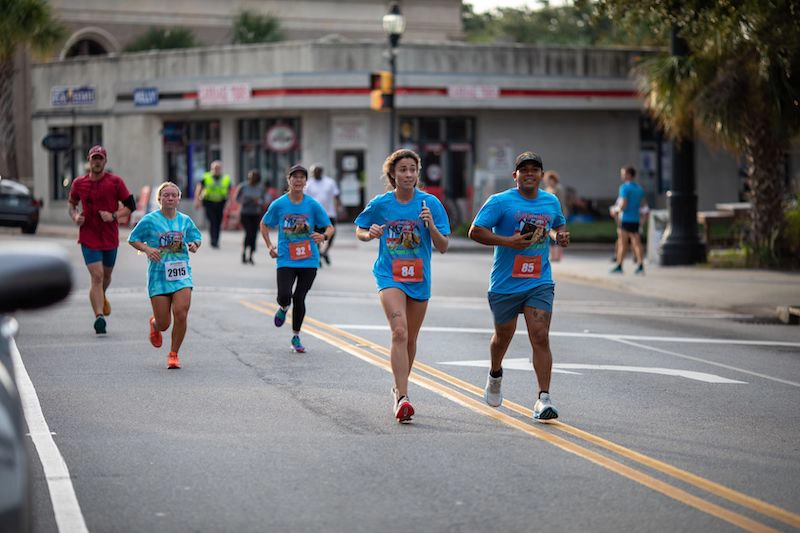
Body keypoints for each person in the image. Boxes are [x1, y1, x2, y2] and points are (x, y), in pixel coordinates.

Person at [468, 151, 569, 421]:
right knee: (503, 336)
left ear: (541, 175)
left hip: (539, 281)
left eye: (535, 169)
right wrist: (508, 241)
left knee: (540, 335)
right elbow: (475, 231)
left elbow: (558, 225)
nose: (529, 174)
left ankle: (543, 399)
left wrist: (560, 236)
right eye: (524, 170)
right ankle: (495, 374)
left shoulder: (550, 201)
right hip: (505, 283)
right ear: (515, 176)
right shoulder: (499, 202)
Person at [355, 149, 450, 423]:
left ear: (417, 173)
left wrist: (430, 226)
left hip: (419, 278)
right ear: (393, 174)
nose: (408, 175)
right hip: (390, 275)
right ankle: (403, 398)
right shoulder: (381, 204)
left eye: (412, 169)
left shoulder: (430, 203)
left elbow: (443, 246)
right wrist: (368, 234)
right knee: (399, 332)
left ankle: (399, 386)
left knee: (410, 339)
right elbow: (360, 229)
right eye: (402, 170)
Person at [260, 164, 334, 354]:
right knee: (284, 295)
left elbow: (329, 227)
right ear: (289, 180)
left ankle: (296, 336)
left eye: (302, 177)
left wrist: (323, 236)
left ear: (305, 182)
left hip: (309, 259)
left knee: (299, 297)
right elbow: (264, 224)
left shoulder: (312, 204)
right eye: (295, 177)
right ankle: (283, 307)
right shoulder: (279, 204)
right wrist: (269, 245)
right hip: (286, 258)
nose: (299, 180)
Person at [128, 182, 202, 369]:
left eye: (173, 195)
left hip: (181, 274)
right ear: (159, 199)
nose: (170, 198)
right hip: (158, 276)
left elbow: (196, 237)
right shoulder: (150, 220)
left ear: (178, 198)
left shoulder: (185, 220)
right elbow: (133, 239)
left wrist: (194, 245)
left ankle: (173, 354)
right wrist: (146, 249)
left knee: (181, 312)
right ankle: (154, 324)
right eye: (166, 195)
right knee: (164, 324)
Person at [68, 145, 136, 335]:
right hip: (88, 236)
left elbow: (131, 205)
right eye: (93, 158)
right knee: (96, 276)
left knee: (105, 276)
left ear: (105, 161)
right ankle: (99, 317)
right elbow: (71, 204)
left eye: (100, 158)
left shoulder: (115, 182)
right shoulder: (78, 183)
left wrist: (114, 215)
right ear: (88, 161)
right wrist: (75, 217)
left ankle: (101, 296)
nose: (96, 162)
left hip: (109, 236)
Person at [610, 166, 647, 275]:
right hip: (635, 218)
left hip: (626, 218)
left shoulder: (624, 188)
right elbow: (643, 204)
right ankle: (640, 265)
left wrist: (616, 210)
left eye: (623, 173)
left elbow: (623, 203)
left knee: (622, 243)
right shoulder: (639, 188)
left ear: (629, 175)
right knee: (636, 242)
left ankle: (619, 265)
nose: (622, 175)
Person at [305, 164, 342, 266]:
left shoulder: (329, 182)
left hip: (329, 213)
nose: (316, 173)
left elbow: (337, 195)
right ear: (312, 173)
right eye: (314, 171)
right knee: (315, 235)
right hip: (314, 215)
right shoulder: (308, 184)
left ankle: (324, 252)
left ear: (322, 172)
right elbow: (304, 199)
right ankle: (318, 256)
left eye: (318, 171)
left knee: (332, 234)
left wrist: (339, 207)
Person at [236, 169, 272, 265]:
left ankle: (251, 255)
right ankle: (244, 251)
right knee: (249, 233)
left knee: (254, 235)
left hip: (256, 213)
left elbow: (266, 199)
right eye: (251, 176)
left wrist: (258, 201)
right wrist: (246, 200)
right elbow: (237, 199)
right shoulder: (243, 186)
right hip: (245, 213)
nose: (252, 179)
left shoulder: (261, 188)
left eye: (254, 177)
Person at [193, 160, 231, 249]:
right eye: (215, 168)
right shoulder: (206, 177)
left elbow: (229, 191)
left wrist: (229, 203)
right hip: (208, 202)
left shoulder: (225, 178)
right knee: (212, 221)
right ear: (211, 168)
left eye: (218, 168)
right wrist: (197, 200)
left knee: (218, 222)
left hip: (221, 202)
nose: (216, 170)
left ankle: (216, 239)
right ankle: (213, 240)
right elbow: (199, 189)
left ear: (221, 169)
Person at [544, 170, 566, 262]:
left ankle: (558, 256)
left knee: (560, 235)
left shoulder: (558, 189)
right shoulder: (546, 190)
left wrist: (562, 216)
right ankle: (552, 256)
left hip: (558, 214)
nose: (550, 182)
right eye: (548, 180)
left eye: (551, 179)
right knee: (550, 235)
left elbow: (561, 203)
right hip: (548, 216)